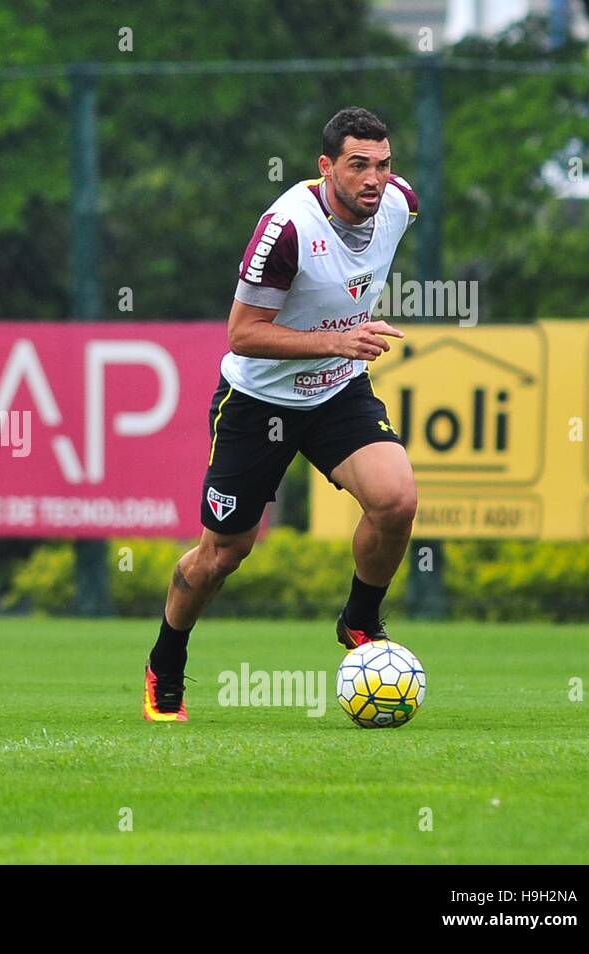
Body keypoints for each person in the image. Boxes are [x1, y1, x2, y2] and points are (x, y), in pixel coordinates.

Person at [143, 107, 419, 722]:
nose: (373, 179)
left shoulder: (399, 202)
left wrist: (340, 351)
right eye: (357, 166)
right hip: (258, 401)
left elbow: (375, 244)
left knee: (396, 499)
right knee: (223, 553)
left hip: (336, 392)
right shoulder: (286, 231)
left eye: (382, 165)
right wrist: (336, 340)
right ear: (325, 168)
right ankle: (166, 661)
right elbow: (242, 334)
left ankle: (360, 622)